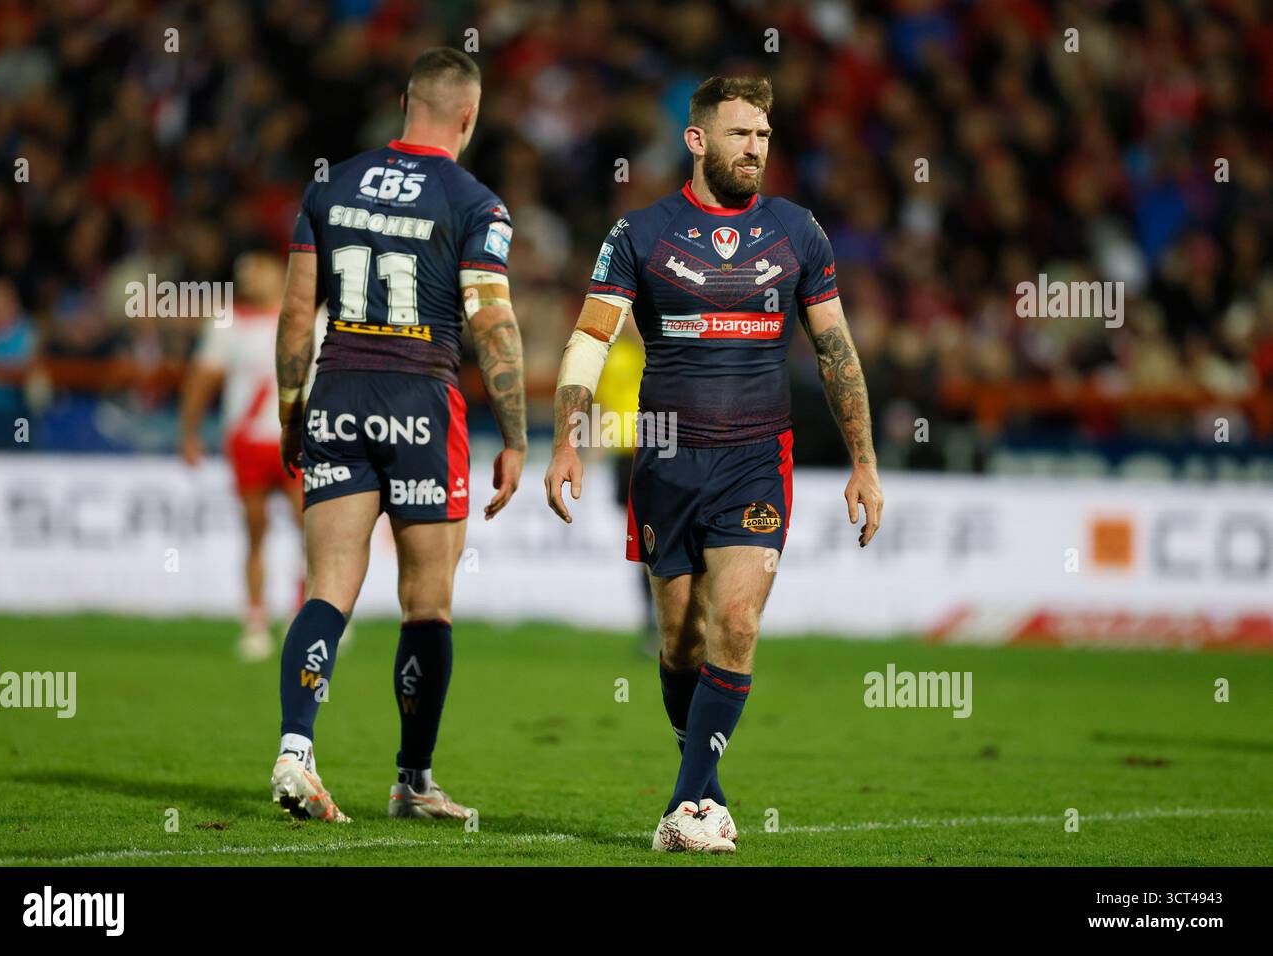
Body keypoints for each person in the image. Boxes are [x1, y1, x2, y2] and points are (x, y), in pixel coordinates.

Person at [544, 76, 884, 853]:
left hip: (758, 458)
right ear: (696, 140)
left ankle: (687, 802)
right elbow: (590, 339)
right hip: (664, 455)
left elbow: (836, 352)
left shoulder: (799, 233)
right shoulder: (640, 234)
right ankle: (703, 789)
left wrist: (865, 462)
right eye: (739, 135)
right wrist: (568, 437)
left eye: (763, 135)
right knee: (680, 641)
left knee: (735, 621)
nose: (754, 149)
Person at [269, 47, 526, 824]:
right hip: (422, 399)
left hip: (339, 391)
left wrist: (293, 411)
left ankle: (295, 747)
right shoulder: (477, 202)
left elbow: (293, 317)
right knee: (426, 604)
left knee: (329, 586)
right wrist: (515, 435)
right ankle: (413, 781)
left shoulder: (330, 182)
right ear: (469, 116)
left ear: (405, 100)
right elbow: (494, 323)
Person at [180, 251, 310, 661]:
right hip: (248, 442)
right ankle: (255, 619)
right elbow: (203, 376)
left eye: (257, 268)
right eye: (244, 272)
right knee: (254, 531)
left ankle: (303, 613)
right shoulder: (227, 321)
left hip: (296, 439)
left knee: (310, 529)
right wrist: (189, 431)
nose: (248, 277)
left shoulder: (309, 318)